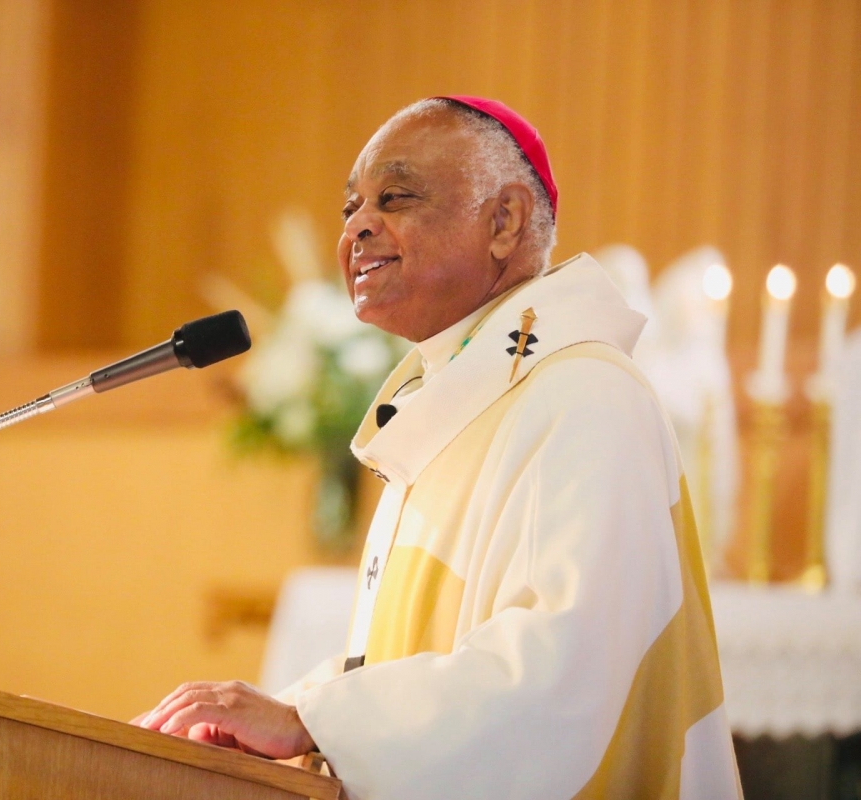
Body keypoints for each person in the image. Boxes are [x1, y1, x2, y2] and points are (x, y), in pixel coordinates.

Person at [136, 95, 742, 799]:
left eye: (394, 197)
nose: (358, 228)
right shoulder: (453, 403)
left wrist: (313, 718)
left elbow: (561, 678)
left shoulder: (587, 396)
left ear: (504, 221)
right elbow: (417, 657)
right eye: (349, 209)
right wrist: (292, 709)